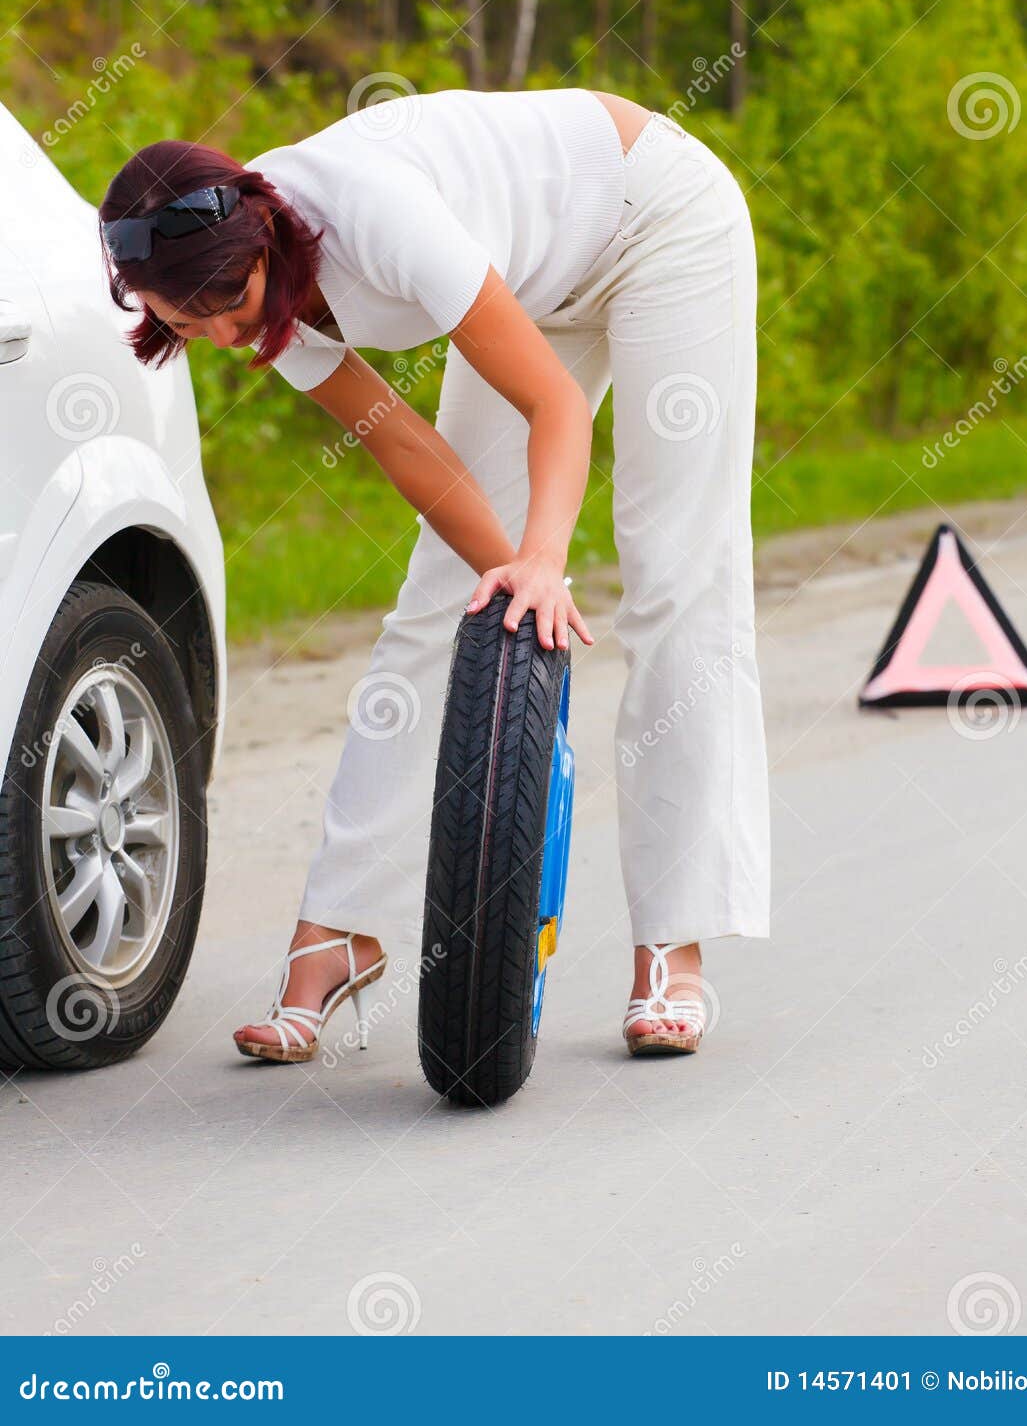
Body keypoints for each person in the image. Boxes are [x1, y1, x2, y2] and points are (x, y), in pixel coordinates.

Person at [99, 86, 771, 1064]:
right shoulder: (248, 287)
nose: (222, 336)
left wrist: (545, 559)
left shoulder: (372, 213)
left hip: (652, 219)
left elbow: (554, 404)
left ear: (263, 239)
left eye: (224, 308)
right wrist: (504, 568)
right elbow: (408, 450)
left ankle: (672, 946)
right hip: (535, 275)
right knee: (438, 599)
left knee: (674, 575)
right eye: (181, 323)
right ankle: (338, 928)